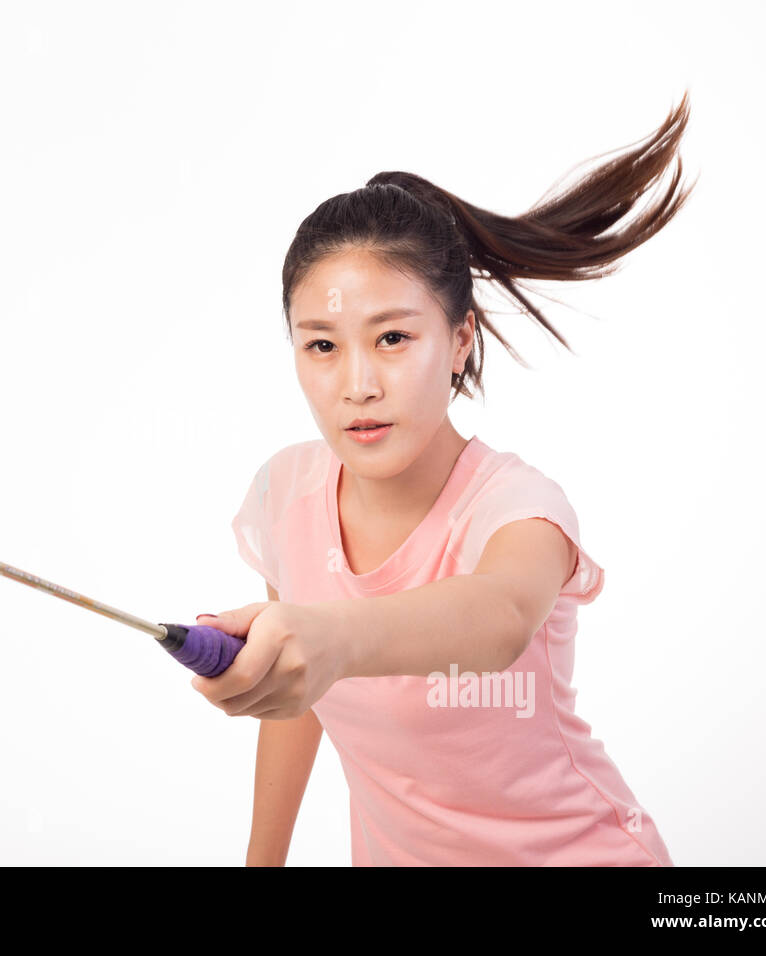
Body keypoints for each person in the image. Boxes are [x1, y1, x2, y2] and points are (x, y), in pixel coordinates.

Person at [191, 93, 695, 867]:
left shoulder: (518, 510)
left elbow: (495, 620)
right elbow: (300, 701)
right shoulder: (284, 494)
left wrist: (327, 635)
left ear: (459, 339)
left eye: (392, 337)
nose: (356, 383)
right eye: (321, 346)